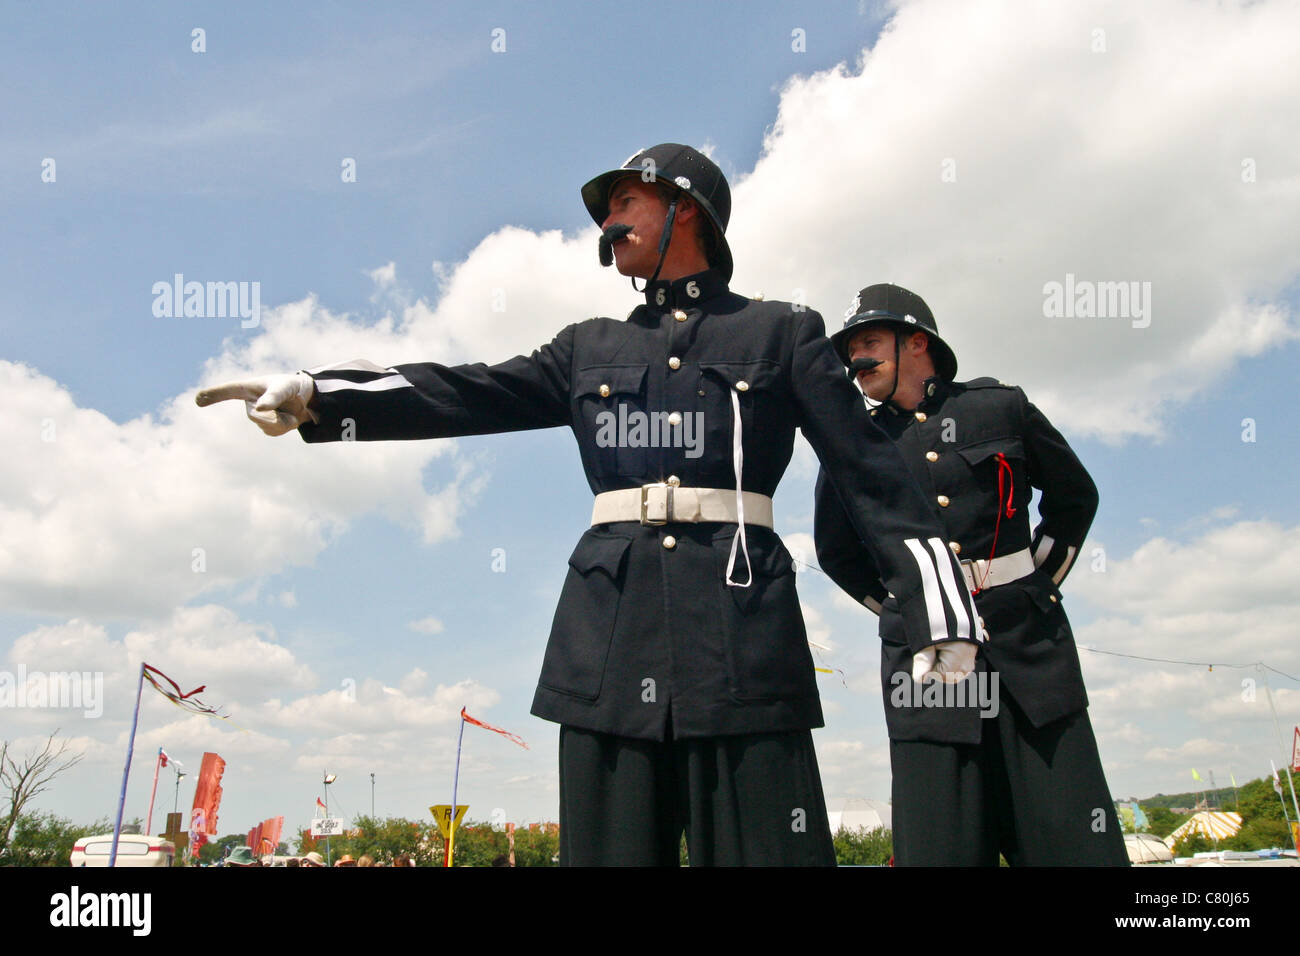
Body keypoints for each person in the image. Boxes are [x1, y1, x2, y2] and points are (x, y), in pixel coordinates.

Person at [196, 145, 980, 866]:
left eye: (627, 200)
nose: (609, 221)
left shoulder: (782, 332)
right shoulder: (589, 346)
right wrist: (319, 396)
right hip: (610, 641)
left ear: (688, 210)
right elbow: (468, 391)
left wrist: (939, 610)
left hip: (745, 643)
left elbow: (872, 472)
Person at [814, 282, 1127, 866]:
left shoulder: (999, 407)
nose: (856, 360)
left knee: (1074, 841)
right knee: (942, 848)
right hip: (926, 668)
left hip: (1030, 655)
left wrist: (1035, 581)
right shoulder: (854, 445)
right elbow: (837, 552)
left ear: (919, 343)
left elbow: (1074, 497)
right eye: (851, 349)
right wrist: (913, 607)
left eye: (871, 342)